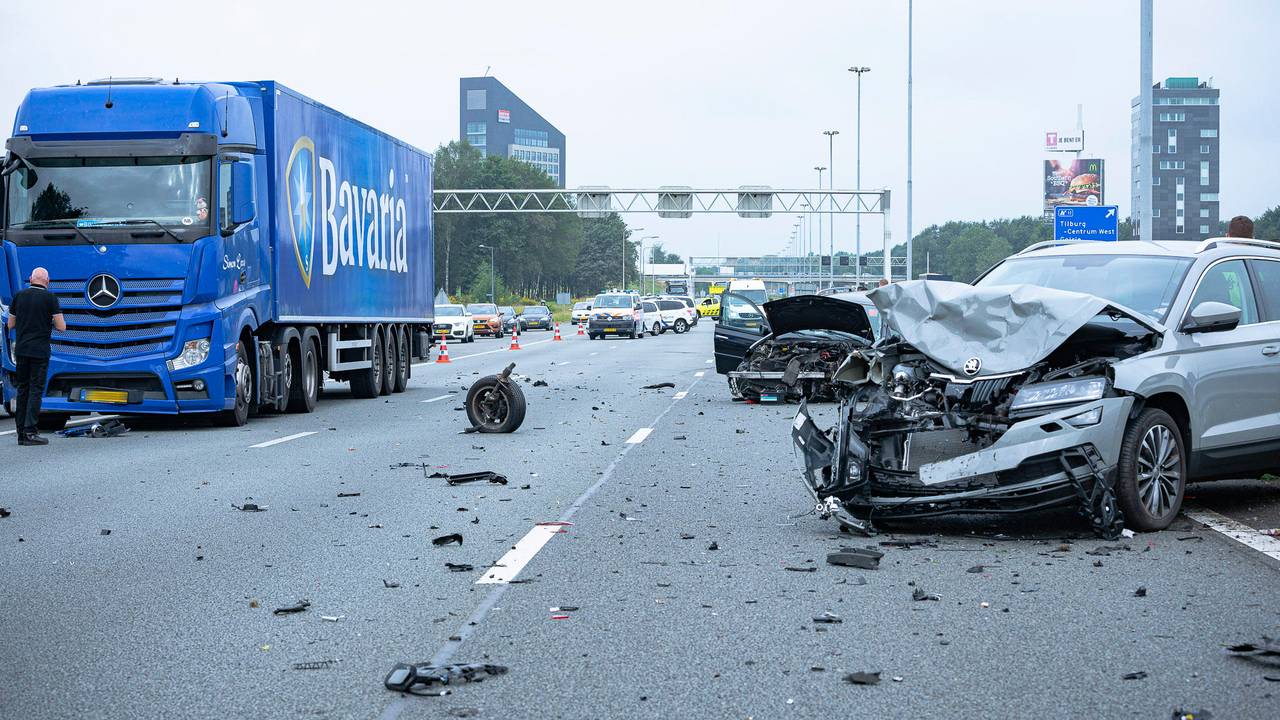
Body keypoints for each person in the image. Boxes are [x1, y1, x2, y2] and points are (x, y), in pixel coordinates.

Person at [7, 267, 65, 445]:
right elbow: (61, 326)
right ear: (47, 281)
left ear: (31, 279)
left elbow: (10, 324)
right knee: (35, 389)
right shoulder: (50, 298)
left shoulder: (19, 296)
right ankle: (31, 432)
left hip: (22, 350)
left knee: (23, 389)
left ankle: (21, 434)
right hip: (40, 351)